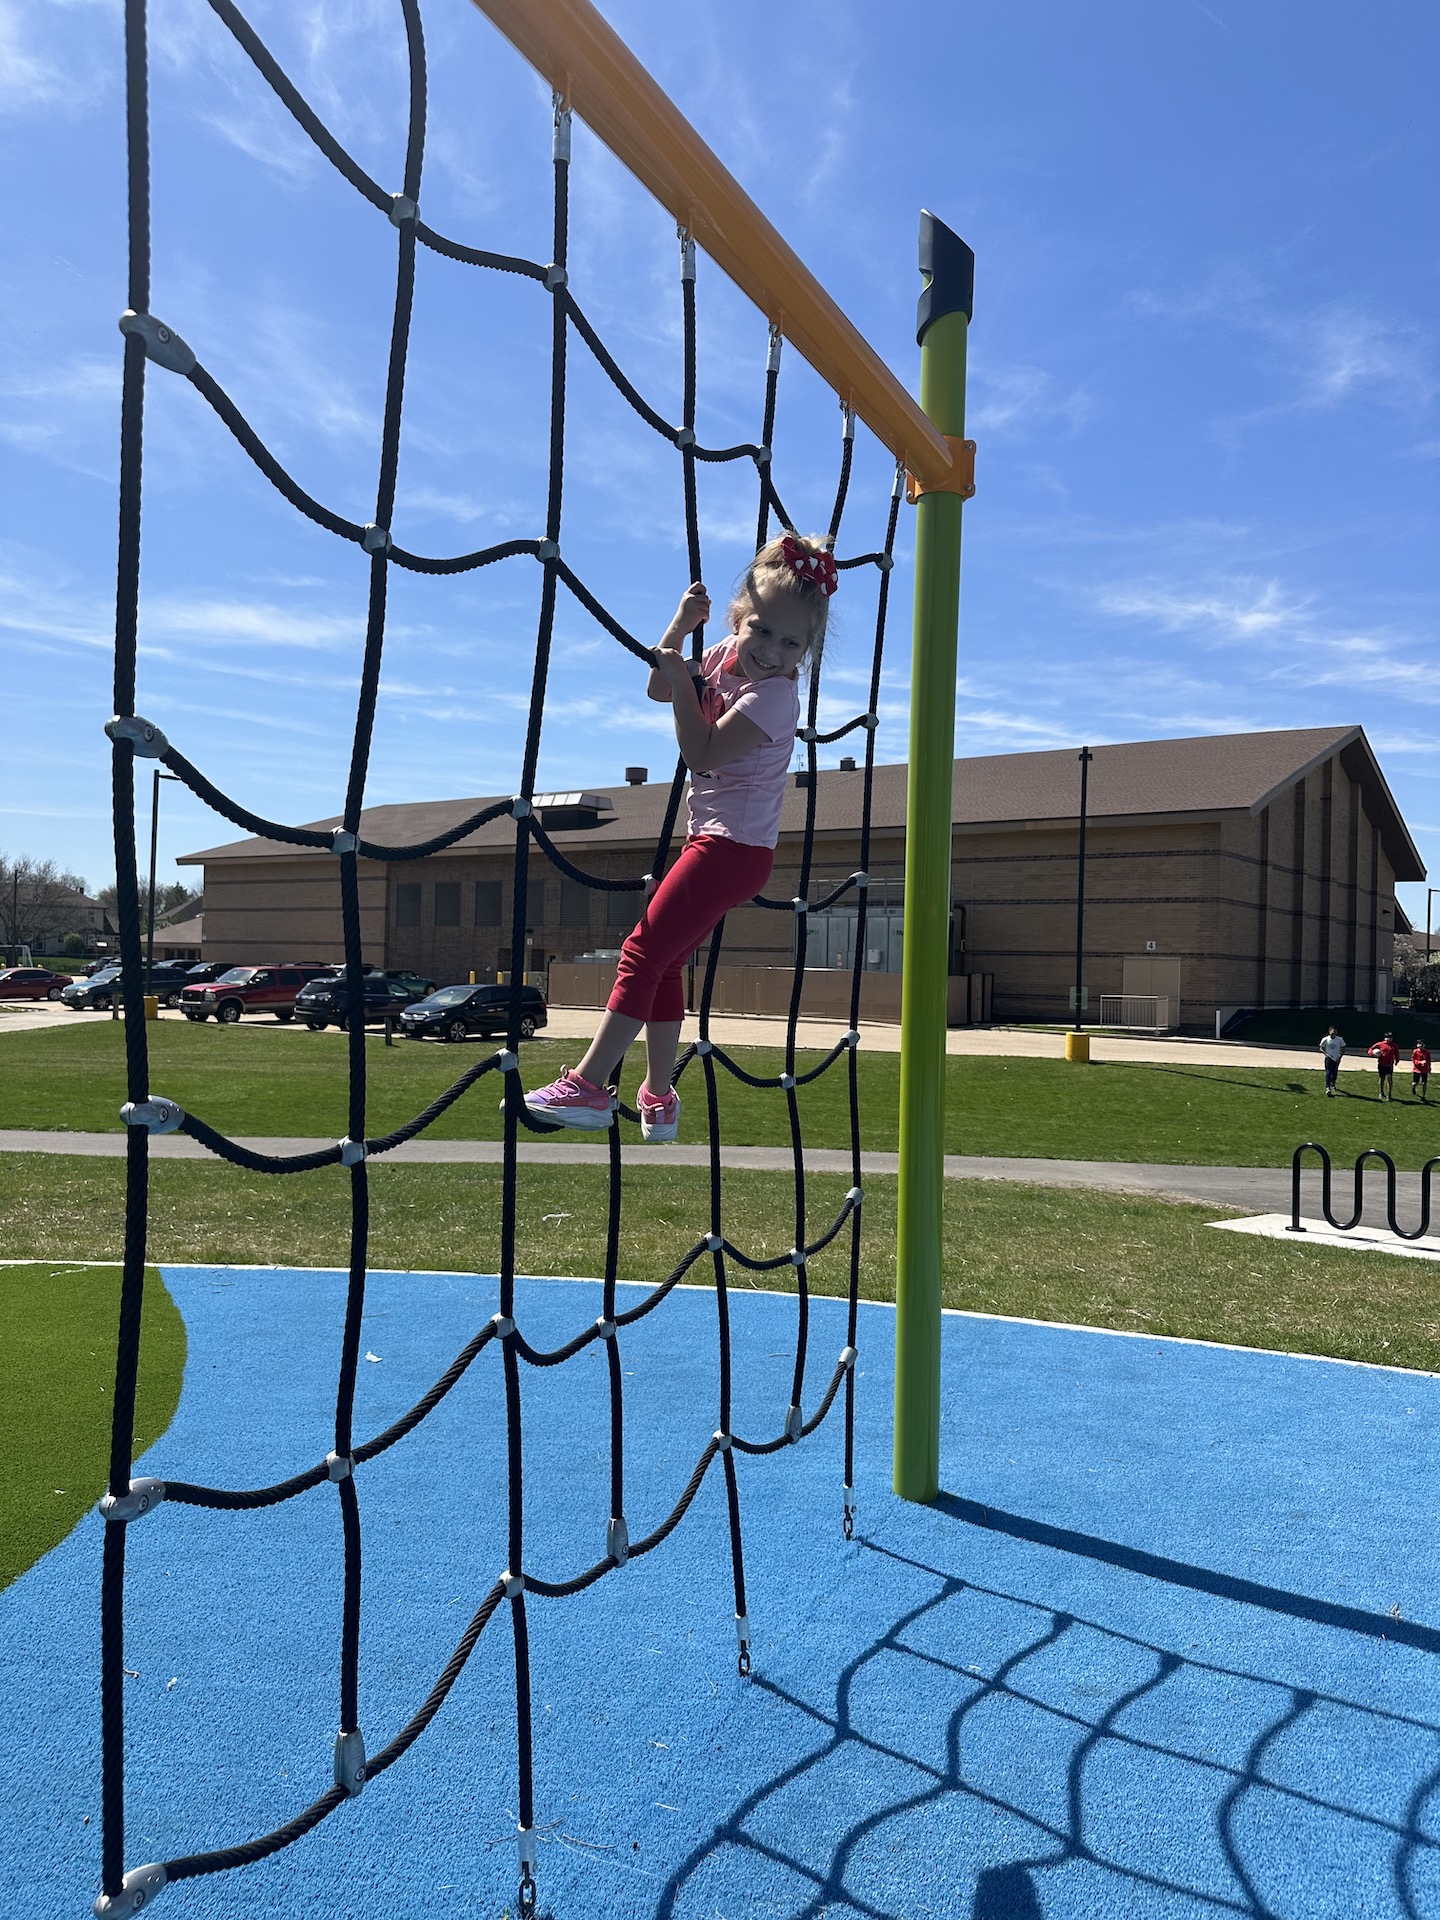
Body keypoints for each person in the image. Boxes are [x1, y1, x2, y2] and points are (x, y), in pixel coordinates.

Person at [524, 532, 837, 1141]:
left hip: (735, 849)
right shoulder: (724, 654)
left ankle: (590, 1085)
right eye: (762, 631)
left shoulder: (775, 699)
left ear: (808, 648)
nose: (771, 651)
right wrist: (676, 630)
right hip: (717, 843)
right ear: (738, 620)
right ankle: (659, 1096)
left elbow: (702, 750)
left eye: (791, 641)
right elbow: (661, 684)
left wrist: (679, 679)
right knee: (663, 964)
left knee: (639, 950)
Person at [1367, 1031, 1399, 1101]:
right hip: (1381, 1064)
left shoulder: (1394, 1046)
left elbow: (1396, 1054)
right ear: (1385, 1038)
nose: (1389, 1039)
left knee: (1389, 1079)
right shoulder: (1380, 1044)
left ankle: (1389, 1094)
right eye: (1387, 1038)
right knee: (1382, 1079)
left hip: (1389, 1065)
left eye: (1390, 1038)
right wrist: (1372, 1053)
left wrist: (1397, 1060)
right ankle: (1381, 1092)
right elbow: (1371, 1049)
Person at [1318, 1025, 1346, 1096]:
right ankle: (1327, 1087)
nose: (1334, 1033)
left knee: (1334, 1072)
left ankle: (1332, 1083)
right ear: (1329, 1031)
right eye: (1333, 1031)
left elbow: (1343, 1048)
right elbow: (1321, 1048)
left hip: (1336, 1059)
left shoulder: (1339, 1039)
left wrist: (1340, 1056)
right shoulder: (1325, 1039)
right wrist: (1326, 1054)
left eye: (1335, 1032)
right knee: (1328, 1072)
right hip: (1328, 1058)